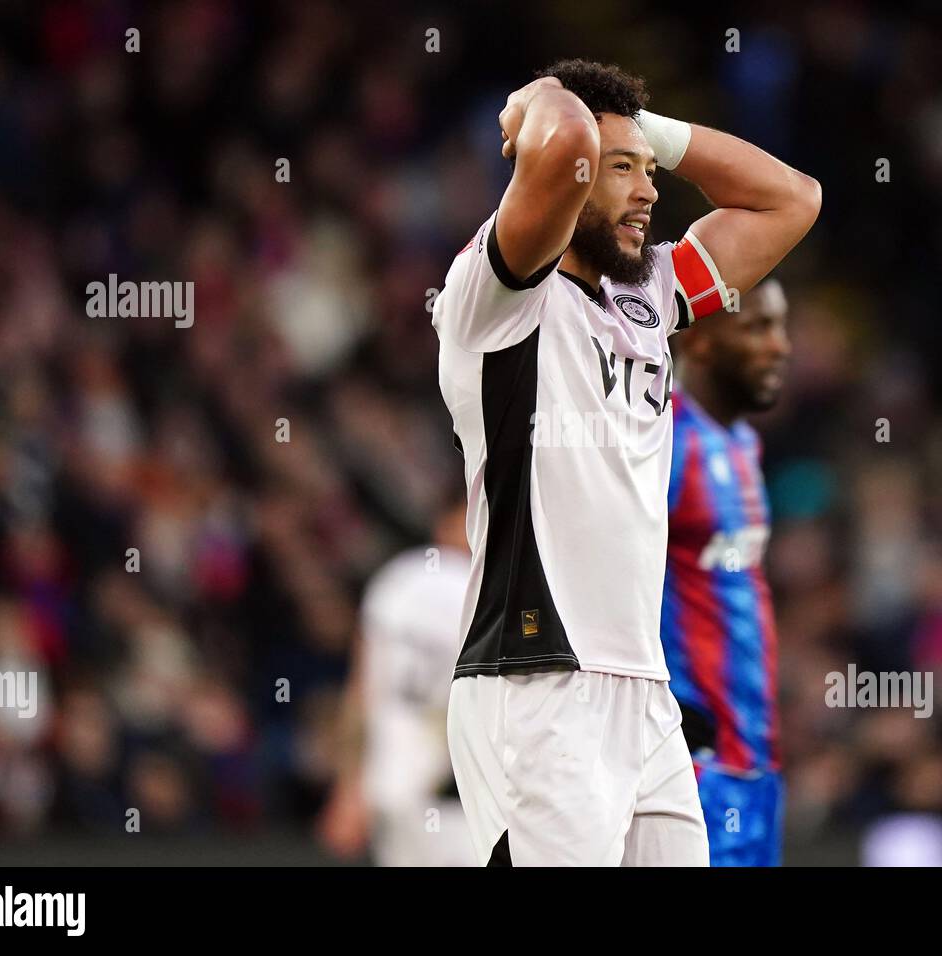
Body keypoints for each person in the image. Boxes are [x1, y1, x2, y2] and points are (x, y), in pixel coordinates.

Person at [431, 58, 820, 866]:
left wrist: (654, 136)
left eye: (650, 172)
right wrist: (536, 97)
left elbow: (793, 199)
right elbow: (566, 134)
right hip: (537, 678)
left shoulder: (646, 295)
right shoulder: (495, 297)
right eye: (621, 171)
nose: (648, 191)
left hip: (645, 694)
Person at [662, 277, 790, 866]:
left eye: (781, 326)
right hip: (692, 768)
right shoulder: (661, 439)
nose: (780, 345)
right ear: (699, 340)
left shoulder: (742, 442)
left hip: (754, 765)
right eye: (757, 327)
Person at [317, 498, 474, 866]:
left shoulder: (399, 579)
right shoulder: (490, 588)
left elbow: (361, 692)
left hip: (395, 779)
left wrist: (349, 786)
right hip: (457, 785)